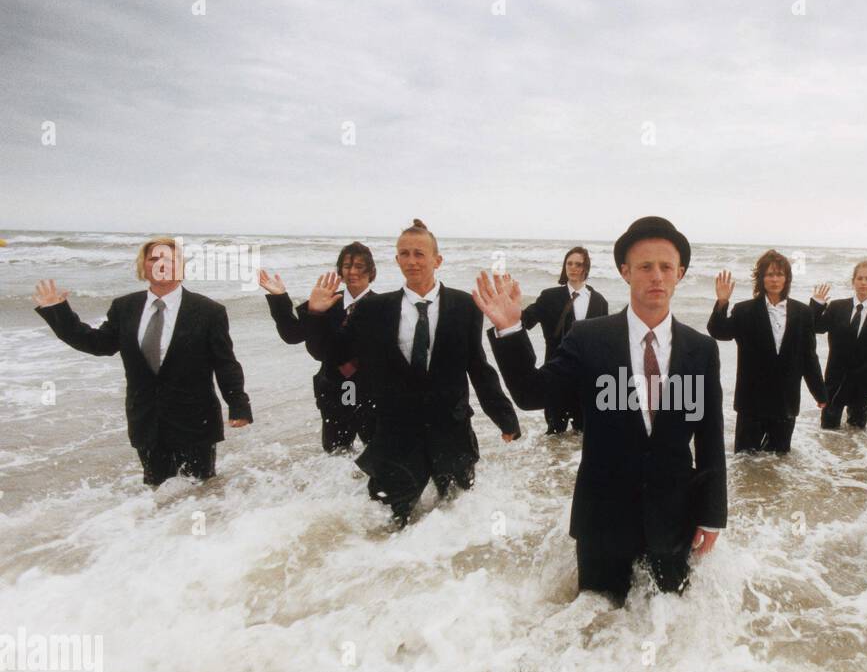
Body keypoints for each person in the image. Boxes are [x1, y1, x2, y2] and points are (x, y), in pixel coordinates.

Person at [473, 215, 726, 603]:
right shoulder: (590, 338)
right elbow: (531, 393)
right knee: (595, 626)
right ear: (625, 272)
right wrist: (510, 331)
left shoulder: (701, 349)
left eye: (666, 267)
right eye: (645, 266)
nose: (656, 276)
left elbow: (710, 438)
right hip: (602, 519)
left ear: (681, 273)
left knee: (668, 624)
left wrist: (712, 514)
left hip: (674, 519)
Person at [304, 219, 520, 526]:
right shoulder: (374, 309)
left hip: (451, 431)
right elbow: (331, 354)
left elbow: (478, 367)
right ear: (396, 260)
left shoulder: (465, 306)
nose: (412, 261)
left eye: (419, 253)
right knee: (389, 524)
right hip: (395, 432)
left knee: (458, 517)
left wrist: (504, 416)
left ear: (437, 260)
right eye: (404, 254)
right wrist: (316, 315)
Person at [32, 237, 252, 486]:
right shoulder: (125, 307)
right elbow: (98, 344)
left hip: (195, 421)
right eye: (153, 258)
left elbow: (225, 363)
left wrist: (238, 404)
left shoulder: (209, 310)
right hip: (146, 420)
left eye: (169, 259)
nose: (161, 264)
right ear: (143, 267)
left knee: (200, 490)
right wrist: (58, 312)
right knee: (158, 493)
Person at [258, 242, 378, 452]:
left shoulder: (385, 306)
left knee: (377, 454)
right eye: (347, 266)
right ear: (340, 270)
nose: (352, 271)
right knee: (336, 455)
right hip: (333, 390)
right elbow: (292, 335)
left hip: (371, 392)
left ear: (371, 270)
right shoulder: (325, 301)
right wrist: (280, 299)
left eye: (359, 266)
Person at [707, 249, 826, 453]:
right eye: (769, 274)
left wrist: (820, 393)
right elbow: (719, 332)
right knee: (746, 461)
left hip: (786, 402)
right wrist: (722, 302)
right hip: (751, 401)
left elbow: (809, 357)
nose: (774, 279)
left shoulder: (803, 313)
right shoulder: (744, 310)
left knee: (778, 464)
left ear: (787, 278)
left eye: (779, 274)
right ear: (761, 278)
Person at [520, 246, 610, 433]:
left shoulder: (600, 302)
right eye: (569, 263)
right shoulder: (549, 297)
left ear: (586, 267)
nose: (573, 268)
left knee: (584, 433)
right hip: (555, 374)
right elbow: (525, 321)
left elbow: (604, 344)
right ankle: (553, 463)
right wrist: (509, 311)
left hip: (586, 379)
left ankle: (574, 463)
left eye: (578, 264)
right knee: (554, 433)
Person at [809, 259, 867, 430]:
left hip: (865, 382)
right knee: (828, 430)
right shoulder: (837, 307)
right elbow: (815, 327)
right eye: (859, 278)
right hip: (835, 379)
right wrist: (817, 305)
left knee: (856, 433)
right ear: (853, 281)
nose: (863, 282)